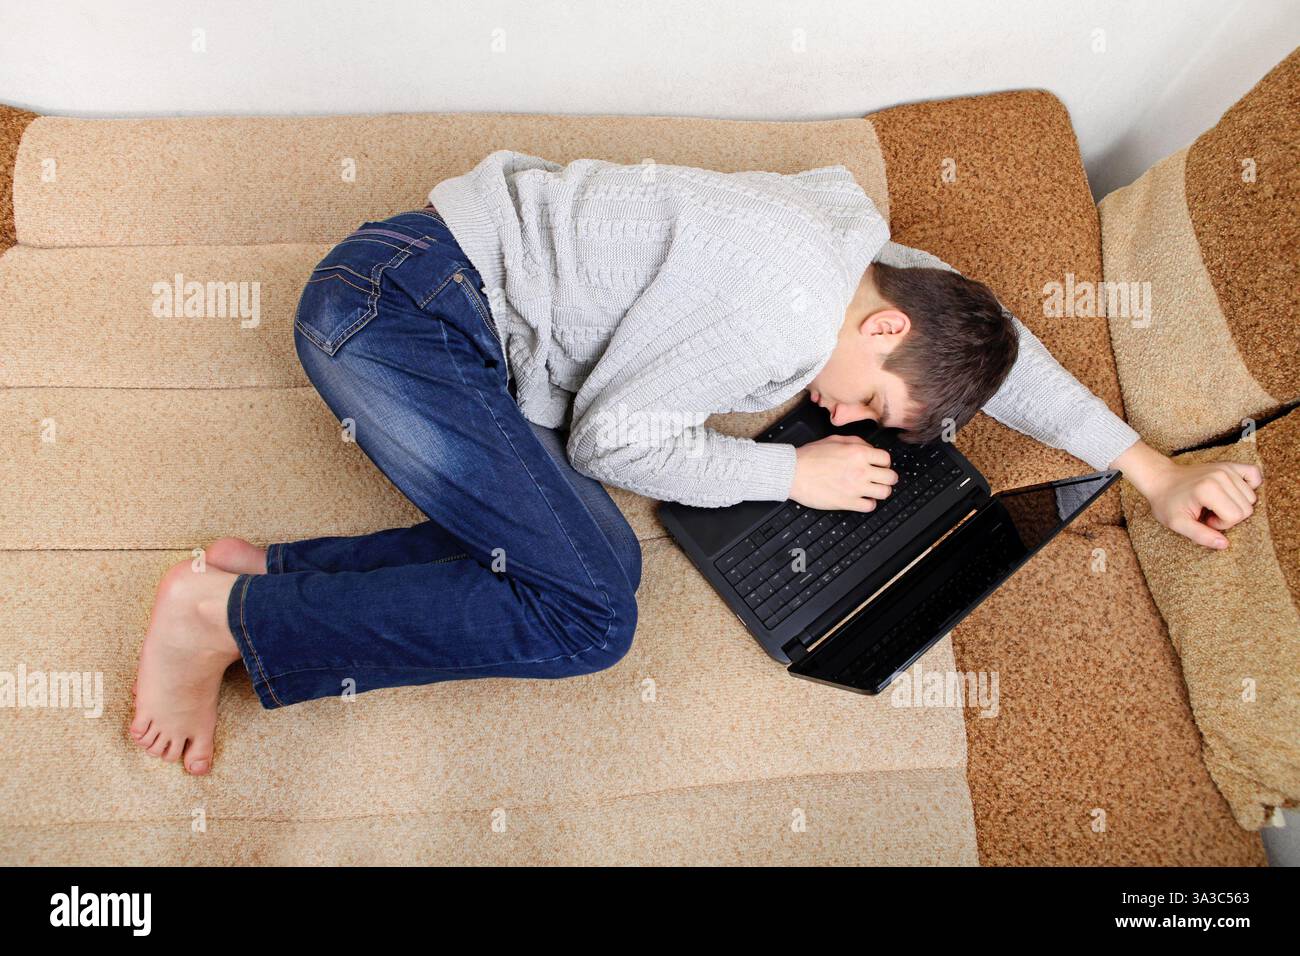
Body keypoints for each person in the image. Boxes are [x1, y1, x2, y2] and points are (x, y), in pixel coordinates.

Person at [128, 152, 1263, 775]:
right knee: (590, 621)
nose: (839, 414)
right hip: (395, 319)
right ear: (877, 332)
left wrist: (1151, 468)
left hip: (415, 289)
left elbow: (992, 340)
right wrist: (789, 477)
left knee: (602, 559)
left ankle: (276, 569)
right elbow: (611, 441)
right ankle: (222, 618)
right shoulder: (781, 309)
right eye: (868, 402)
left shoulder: (858, 252)